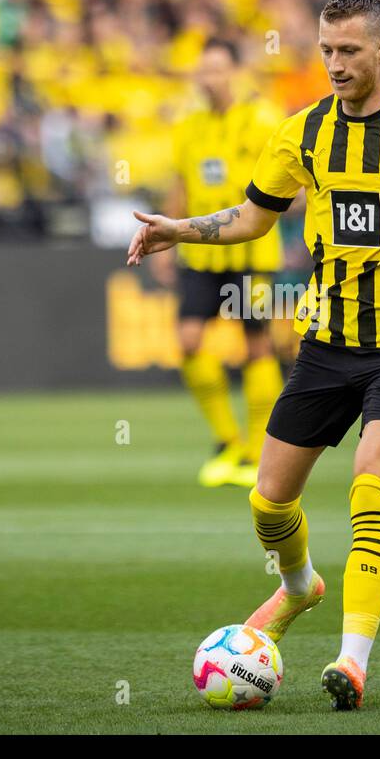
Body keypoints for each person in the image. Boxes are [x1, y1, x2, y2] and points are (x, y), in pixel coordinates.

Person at [128, 0, 380, 710]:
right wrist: (177, 229)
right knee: (268, 500)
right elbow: (254, 216)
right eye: (325, 51)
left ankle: (352, 662)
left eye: (349, 51)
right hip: (328, 341)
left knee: (371, 480)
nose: (335, 65)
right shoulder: (303, 133)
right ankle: (297, 587)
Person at [161, 38, 285, 488]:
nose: (209, 78)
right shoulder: (187, 124)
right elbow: (181, 182)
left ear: (235, 71)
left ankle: (257, 451)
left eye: (217, 69)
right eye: (203, 70)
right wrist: (168, 235)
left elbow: (287, 181)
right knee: (189, 340)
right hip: (199, 250)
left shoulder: (262, 118)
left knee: (256, 345)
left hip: (250, 250)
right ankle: (227, 440)